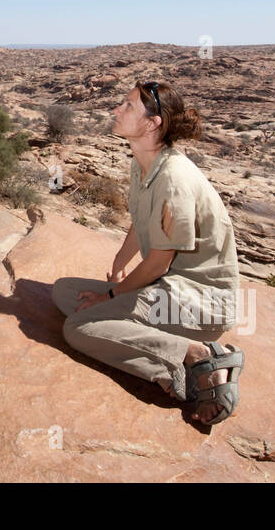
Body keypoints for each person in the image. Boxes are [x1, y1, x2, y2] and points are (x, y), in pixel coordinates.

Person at [51, 80, 244, 425]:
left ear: (153, 123)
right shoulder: (143, 163)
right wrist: (119, 263)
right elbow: (143, 224)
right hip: (170, 289)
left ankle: (194, 358)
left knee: (78, 327)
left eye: (127, 106)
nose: (116, 110)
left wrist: (111, 294)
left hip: (200, 302)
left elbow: (158, 263)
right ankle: (168, 342)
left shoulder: (173, 177)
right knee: (64, 291)